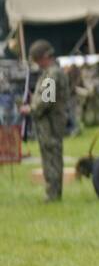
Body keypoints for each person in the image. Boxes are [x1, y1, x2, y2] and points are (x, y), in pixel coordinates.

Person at [21, 40, 71, 202]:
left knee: (51, 158)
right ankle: (53, 193)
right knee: (51, 156)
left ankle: (53, 195)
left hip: (50, 124)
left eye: (36, 59)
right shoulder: (51, 72)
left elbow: (46, 100)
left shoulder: (52, 74)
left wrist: (31, 108)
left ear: (43, 57)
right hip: (50, 122)